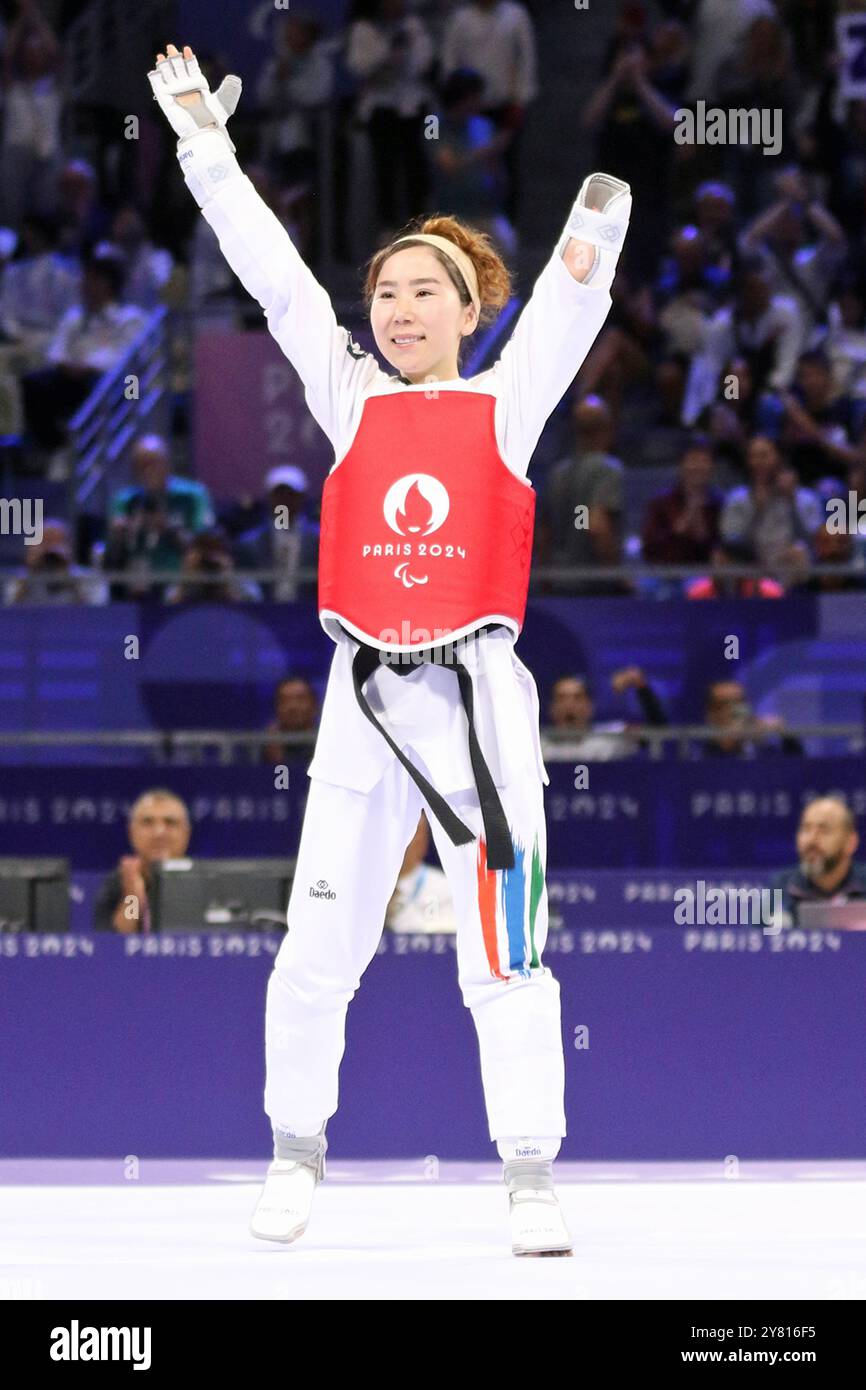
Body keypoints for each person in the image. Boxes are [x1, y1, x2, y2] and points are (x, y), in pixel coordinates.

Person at [150, 40, 632, 1257]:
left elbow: (572, 304)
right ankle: (293, 1153)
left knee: (505, 953)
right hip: (363, 699)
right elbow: (273, 279)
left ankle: (528, 1173)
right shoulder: (348, 394)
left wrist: (595, 221)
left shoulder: (504, 400)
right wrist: (206, 148)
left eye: (423, 291)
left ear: (468, 311)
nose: (396, 308)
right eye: (384, 292)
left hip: (481, 704)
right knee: (317, 948)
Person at [93, 790, 191, 933]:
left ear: (186, 833)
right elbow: (117, 945)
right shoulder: (118, 882)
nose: (159, 832)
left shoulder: (207, 881)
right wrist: (133, 897)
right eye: (147, 822)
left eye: (170, 822)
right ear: (132, 833)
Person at [765, 796, 866, 928]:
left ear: (850, 842)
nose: (811, 840)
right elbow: (751, 940)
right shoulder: (779, 885)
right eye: (806, 829)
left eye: (824, 830)